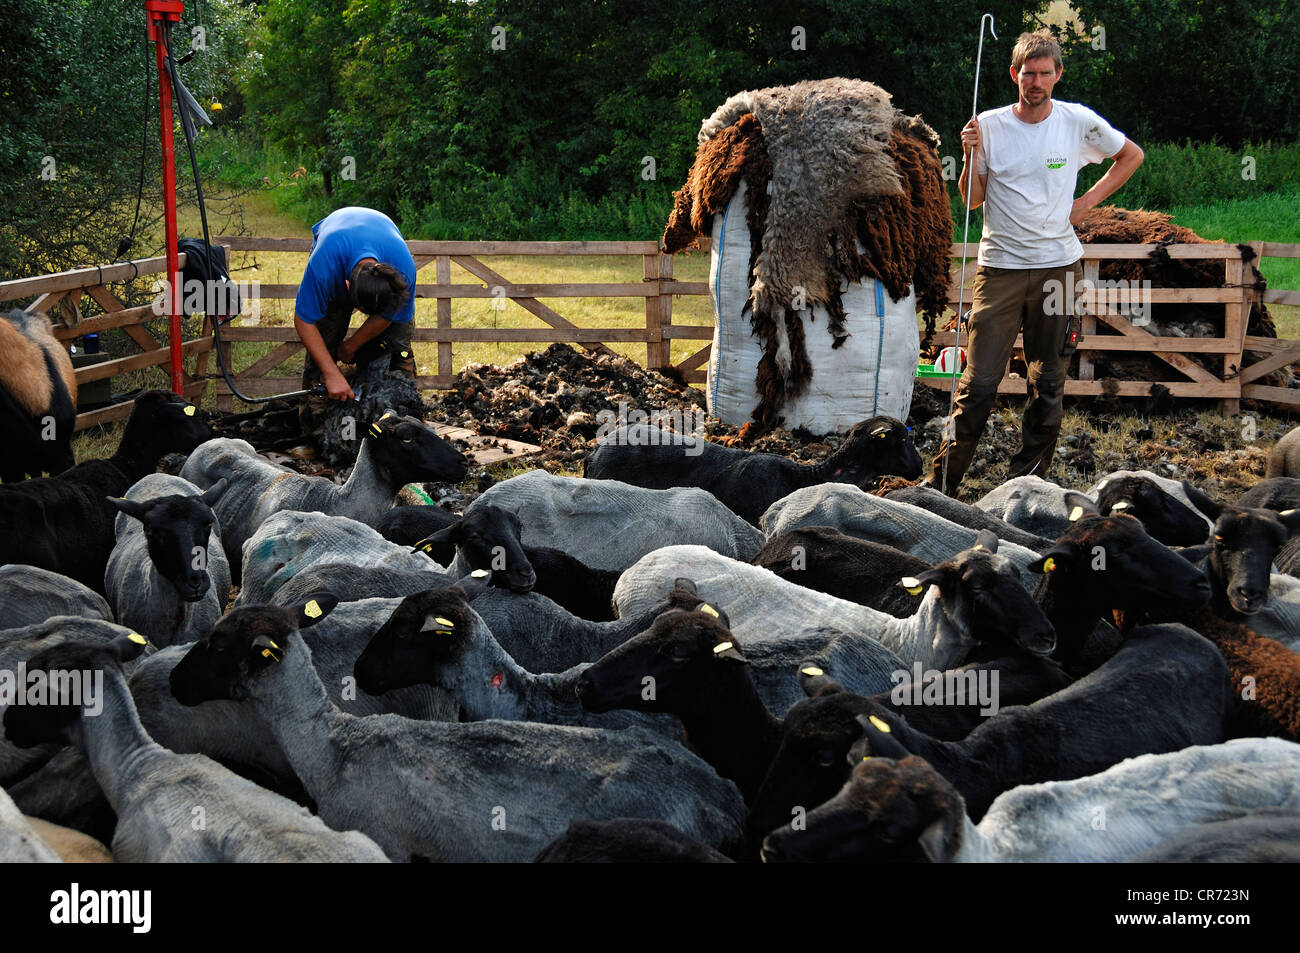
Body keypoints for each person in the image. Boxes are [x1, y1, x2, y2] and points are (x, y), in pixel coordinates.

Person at [925, 30, 1144, 496]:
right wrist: (968, 157)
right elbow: (972, 200)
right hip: (1000, 269)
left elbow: (1131, 155)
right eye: (1029, 74)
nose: (1037, 82)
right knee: (979, 383)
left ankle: (1025, 485)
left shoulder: (1076, 121)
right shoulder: (987, 125)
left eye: (1045, 73)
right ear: (1014, 75)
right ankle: (942, 482)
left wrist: (1086, 201)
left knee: (1047, 382)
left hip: (1058, 268)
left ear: (1057, 75)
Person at [294, 206, 418, 435]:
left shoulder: (403, 272)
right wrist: (331, 371)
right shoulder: (324, 268)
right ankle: (316, 429)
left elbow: (388, 317)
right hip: (337, 241)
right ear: (347, 287)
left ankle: (404, 426)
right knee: (325, 339)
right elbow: (303, 321)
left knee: (396, 349)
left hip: (382, 238)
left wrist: (351, 346)